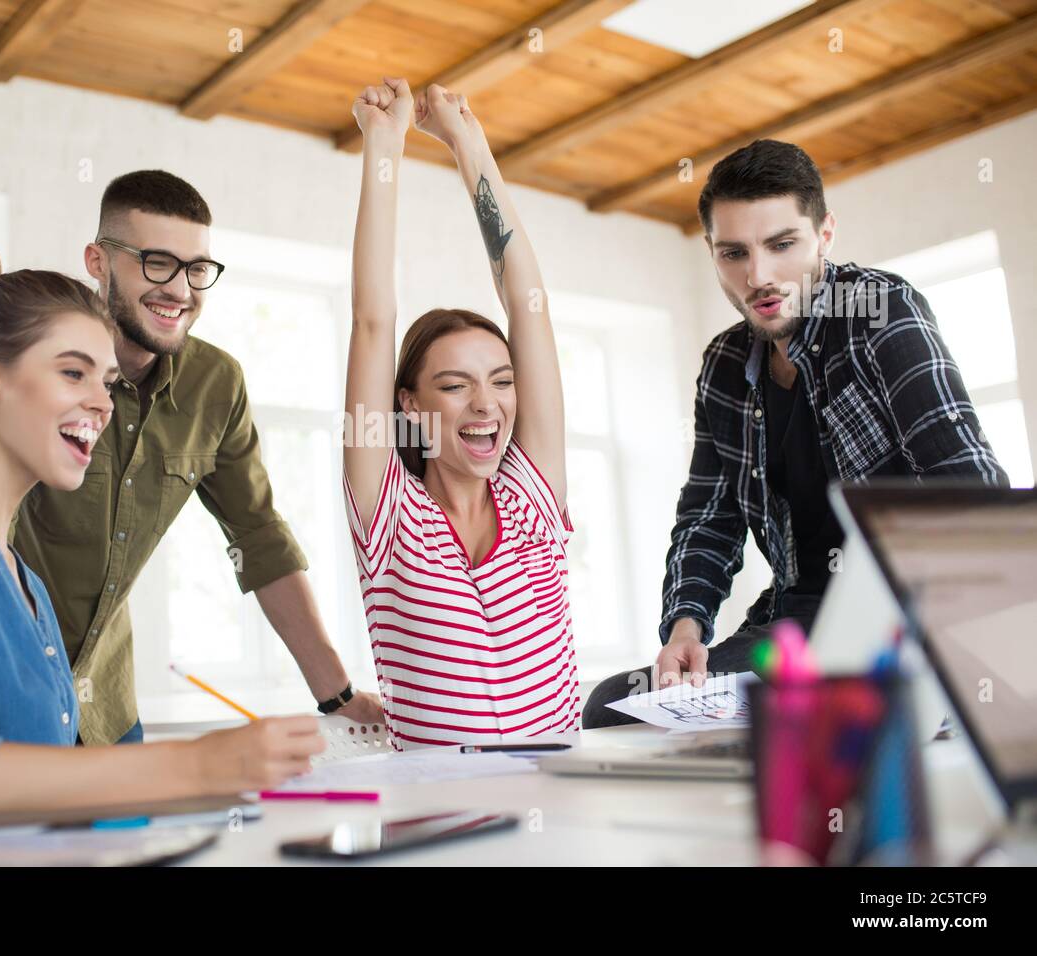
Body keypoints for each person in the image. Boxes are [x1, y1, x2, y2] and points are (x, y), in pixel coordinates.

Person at [0, 244, 322, 830]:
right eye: (73, 372)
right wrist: (189, 768)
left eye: (106, 381)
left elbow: (35, 795)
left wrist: (221, 791)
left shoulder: (24, 581)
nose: (103, 403)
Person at [582, 139, 1008, 728]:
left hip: (900, 622)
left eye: (782, 245)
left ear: (824, 234)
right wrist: (685, 626)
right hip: (792, 629)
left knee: (826, 723)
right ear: (711, 251)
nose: (758, 276)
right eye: (733, 253)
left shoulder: (880, 311)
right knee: (615, 708)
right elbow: (709, 518)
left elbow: (972, 488)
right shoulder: (724, 367)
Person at [7, 170, 382, 746]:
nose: (180, 289)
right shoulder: (37, 351)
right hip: (1, 694)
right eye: (156, 262)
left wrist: (337, 695)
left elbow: (258, 538)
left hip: (105, 710)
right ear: (98, 262)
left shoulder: (217, 384)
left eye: (197, 268)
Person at [343, 78, 579, 749]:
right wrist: (383, 147)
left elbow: (528, 302)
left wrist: (466, 142)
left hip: (557, 810)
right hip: (441, 821)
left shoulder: (533, 494)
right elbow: (371, 320)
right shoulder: (388, 515)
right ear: (409, 407)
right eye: (455, 386)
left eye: (502, 382)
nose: (486, 404)